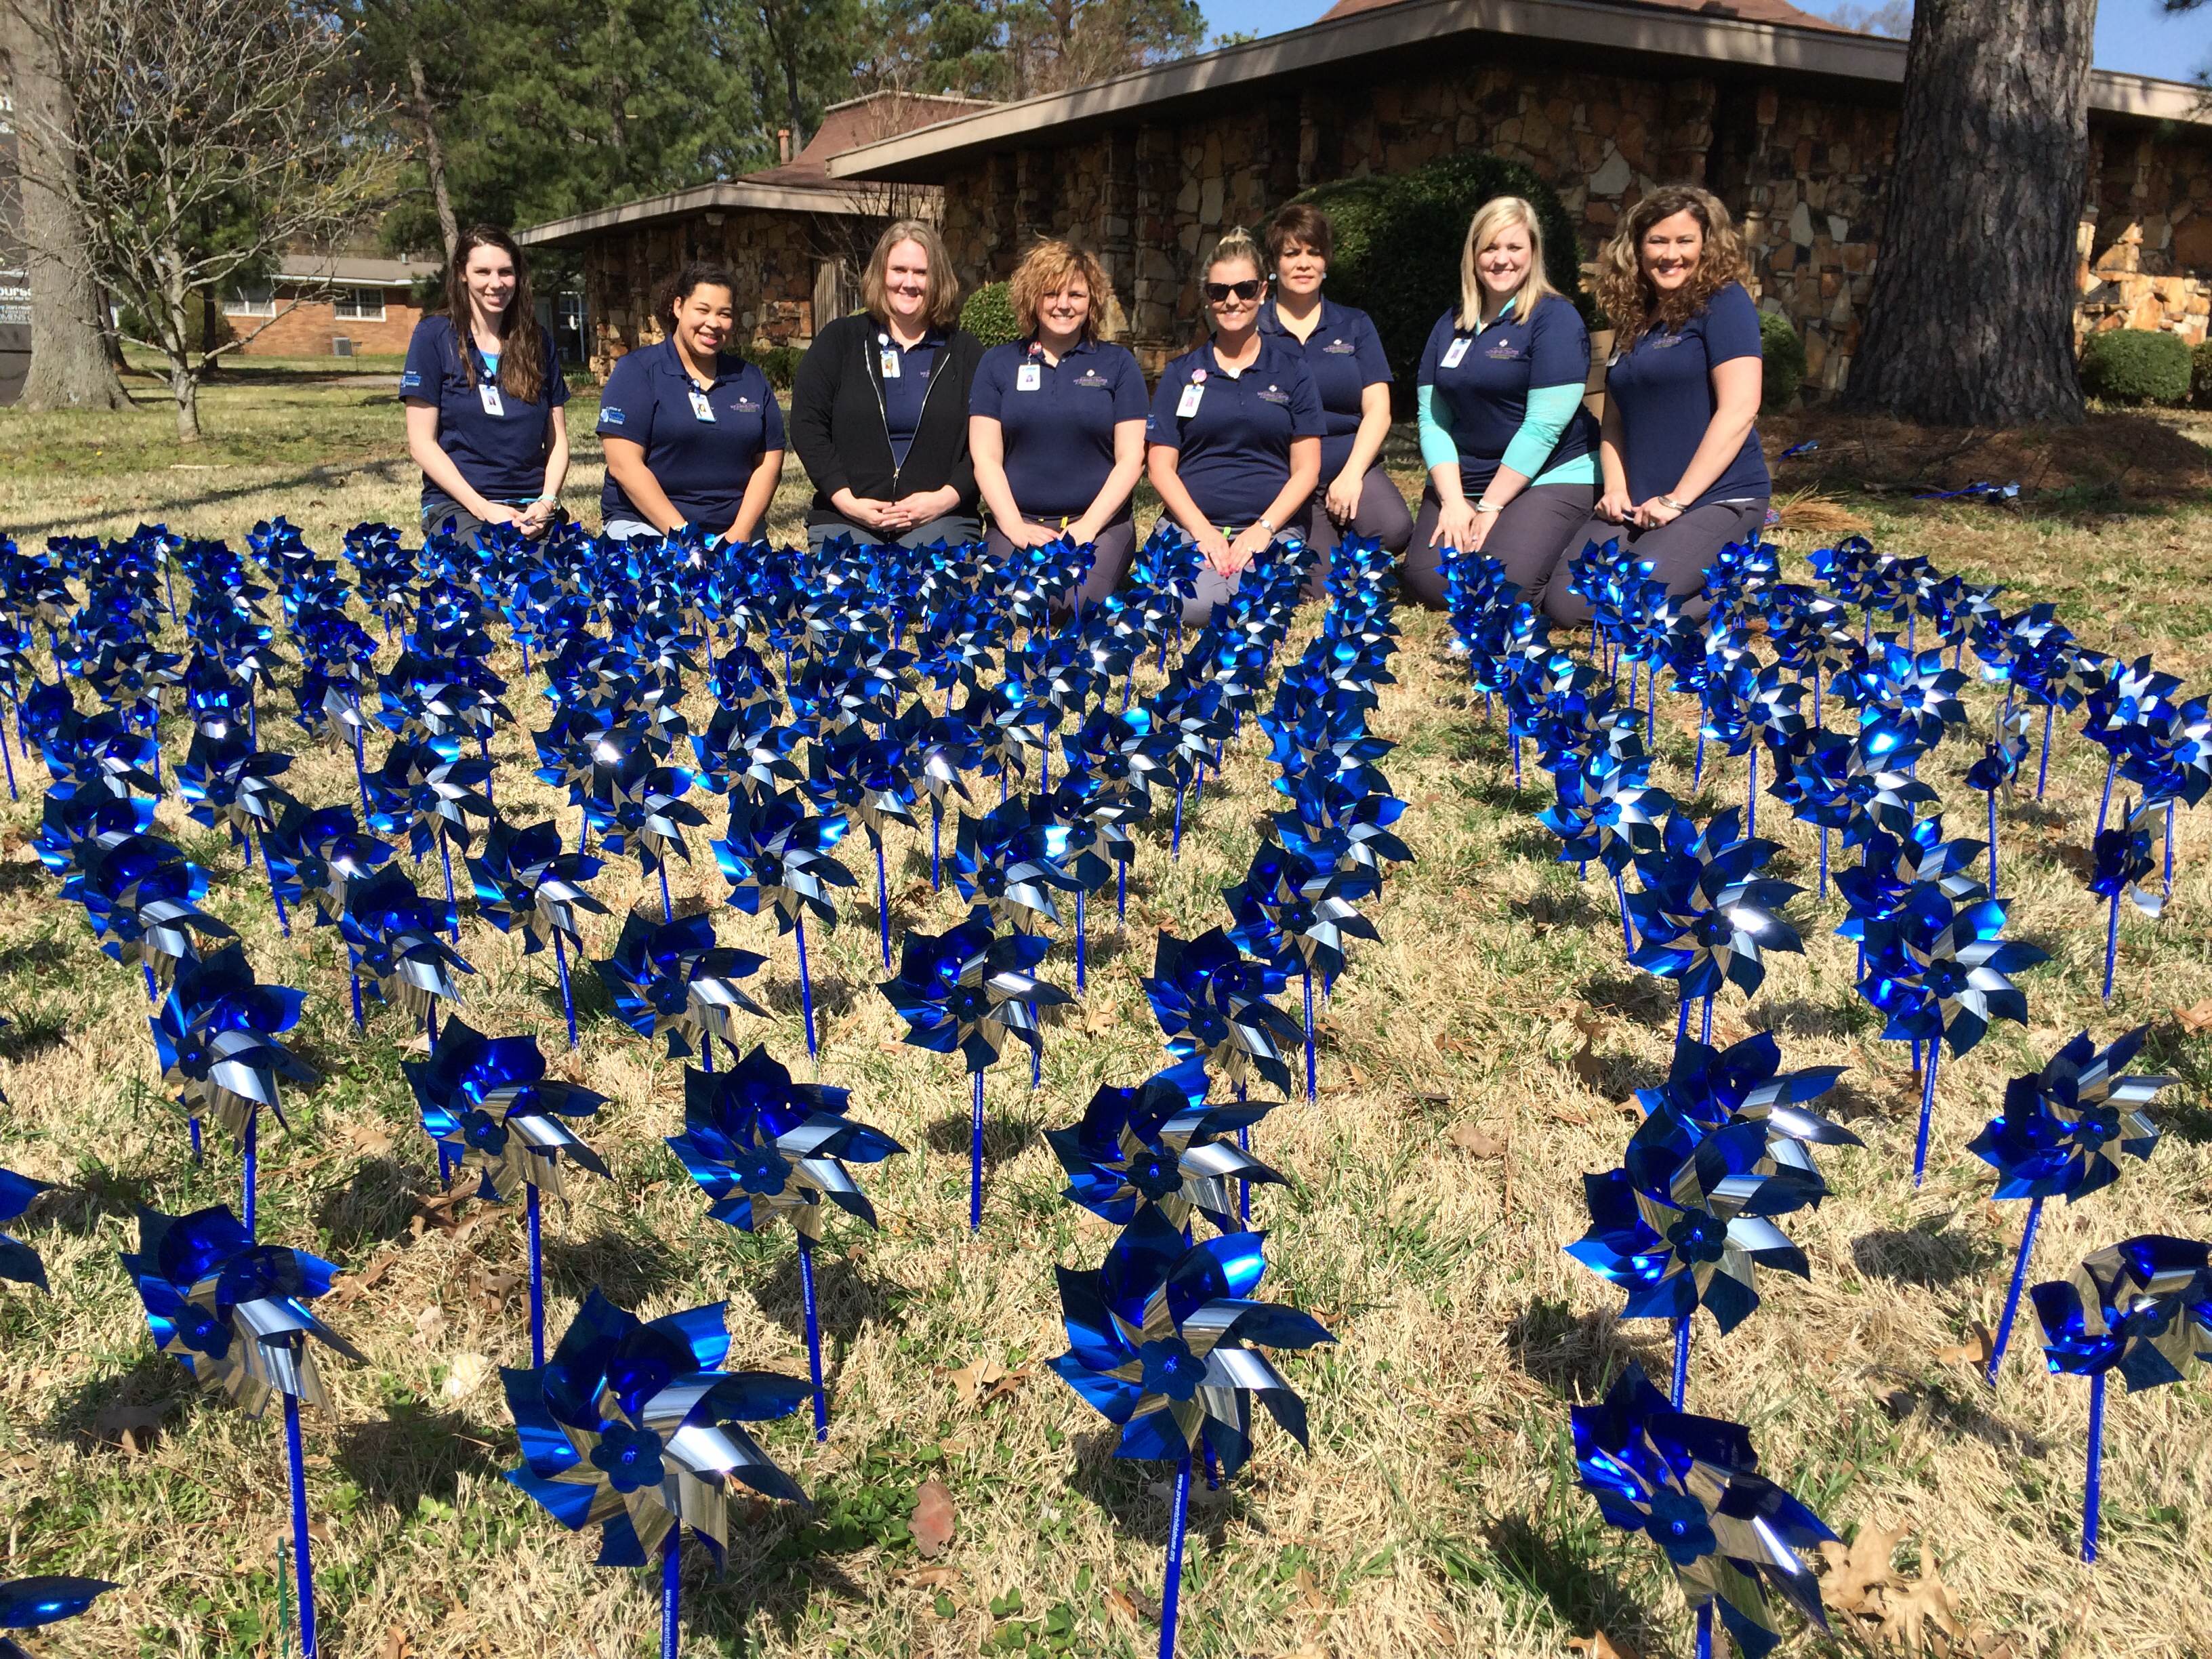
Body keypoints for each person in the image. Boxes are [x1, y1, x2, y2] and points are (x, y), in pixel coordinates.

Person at [1550, 184, 1769, 626]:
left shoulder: (1724, 304)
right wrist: (1615, 489)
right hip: (1638, 505)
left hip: (1716, 500)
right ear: (1637, 248)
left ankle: (1743, 597)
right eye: (1658, 241)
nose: (1671, 254)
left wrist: (1677, 499)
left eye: (1684, 241)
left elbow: (1741, 407)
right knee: (1567, 604)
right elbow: (1613, 417)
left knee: (1629, 608)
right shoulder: (1635, 317)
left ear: (1706, 245)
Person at [1404, 195, 1599, 611]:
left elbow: (1544, 426)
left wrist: (1492, 506)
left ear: (1533, 252)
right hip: (1468, 481)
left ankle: (1555, 550)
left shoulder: (1555, 318)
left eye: (1514, 248)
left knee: (1500, 588)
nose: (1501, 259)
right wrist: (1455, 502)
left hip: (1550, 474)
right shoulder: (1451, 322)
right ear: (1473, 255)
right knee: (1428, 580)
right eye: (1490, 247)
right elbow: (1432, 419)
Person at [1145, 227, 1324, 622]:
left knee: (1257, 603)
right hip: (1191, 528)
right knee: (1194, 605)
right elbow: (1160, 468)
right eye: (1218, 292)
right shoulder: (1180, 373)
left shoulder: (1293, 372)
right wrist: (1204, 532)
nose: (1232, 301)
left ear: (1262, 291)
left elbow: (1307, 470)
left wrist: (1263, 529)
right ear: (1207, 298)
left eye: (1243, 289)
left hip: (1269, 529)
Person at [970, 239, 1149, 609]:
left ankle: (1108, 574)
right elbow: (985, 456)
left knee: (1074, 603)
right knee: (1010, 601)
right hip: (1019, 522)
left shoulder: (1118, 364)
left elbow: (1132, 458)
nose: (1063, 304)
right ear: (1032, 298)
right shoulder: (997, 363)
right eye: (1050, 293)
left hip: (1097, 525)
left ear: (1093, 300)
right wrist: (1015, 528)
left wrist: (1086, 528)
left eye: (1076, 294)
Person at [790, 220, 984, 550]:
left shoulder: (965, 352)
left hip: (941, 521)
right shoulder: (841, 341)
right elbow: (807, 425)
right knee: (845, 603)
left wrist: (944, 499)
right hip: (846, 518)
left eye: (921, 272)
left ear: (938, 279)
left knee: (927, 601)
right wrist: (846, 499)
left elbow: (986, 445)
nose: (909, 283)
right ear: (881, 274)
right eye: (899, 270)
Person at [1258, 203, 1410, 567]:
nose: (1304, 263)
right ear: (1274, 264)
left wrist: (1352, 475)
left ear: (1327, 261)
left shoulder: (1354, 324)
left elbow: (1378, 409)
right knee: (1318, 577)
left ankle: (1340, 522)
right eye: (1292, 254)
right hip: (1284, 475)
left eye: (1314, 252)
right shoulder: (1254, 330)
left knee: (1394, 529)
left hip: (1347, 463)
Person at [595, 262, 785, 544]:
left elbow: (769, 463)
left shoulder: (750, 378)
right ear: (678, 307)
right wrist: (684, 536)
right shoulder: (637, 371)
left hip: (736, 534)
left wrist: (740, 534)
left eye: (725, 314)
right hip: (649, 529)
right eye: (703, 310)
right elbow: (624, 466)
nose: (714, 323)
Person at [401, 226, 569, 541]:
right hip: (459, 505)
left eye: (505, 272)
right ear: (462, 274)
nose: (496, 283)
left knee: (572, 587)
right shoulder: (433, 336)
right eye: (483, 272)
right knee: (491, 584)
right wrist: (483, 508)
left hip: (533, 508)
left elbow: (557, 439)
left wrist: (547, 502)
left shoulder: (538, 341)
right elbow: (421, 443)